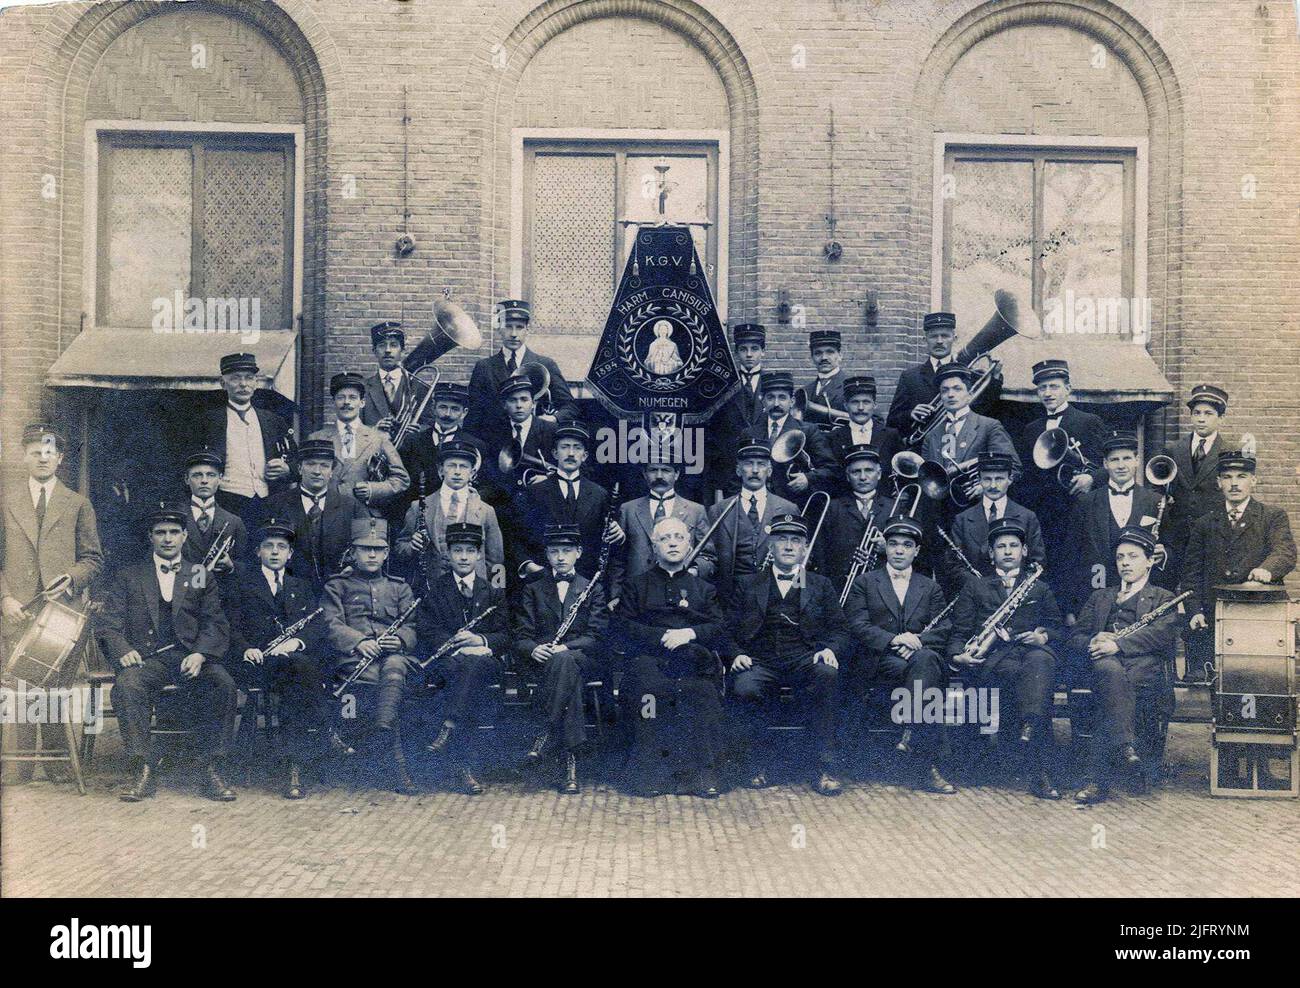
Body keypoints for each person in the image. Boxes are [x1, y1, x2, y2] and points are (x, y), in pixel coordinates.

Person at [98, 504, 236, 802]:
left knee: (223, 683)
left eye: (174, 532)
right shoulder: (129, 576)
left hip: (190, 658)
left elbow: (215, 622)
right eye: (161, 533)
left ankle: (211, 767)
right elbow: (108, 625)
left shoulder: (198, 574)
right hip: (149, 660)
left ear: (185, 536)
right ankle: (143, 768)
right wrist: (123, 650)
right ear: (150, 537)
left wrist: (200, 654)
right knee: (127, 685)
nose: (168, 538)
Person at [0, 423, 103, 781]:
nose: (42, 458)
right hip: (18, 609)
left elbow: (93, 559)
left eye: (49, 452)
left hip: (61, 610)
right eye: (35, 452)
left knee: (56, 682)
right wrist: (5, 597)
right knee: (21, 681)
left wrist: (72, 577)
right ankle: (22, 763)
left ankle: (59, 762)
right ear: (24, 457)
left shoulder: (77, 503)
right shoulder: (6, 502)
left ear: (59, 459)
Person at [728, 513, 849, 796]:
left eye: (796, 540)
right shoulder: (748, 584)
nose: (789, 546)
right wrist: (736, 654)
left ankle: (824, 767)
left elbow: (841, 629)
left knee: (827, 676)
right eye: (782, 539)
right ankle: (757, 764)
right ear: (770, 546)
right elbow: (727, 628)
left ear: (804, 548)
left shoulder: (820, 584)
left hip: (804, 657)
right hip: (761, 659)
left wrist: (829, 649)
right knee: (745, 687)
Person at [226, 519, 342, 800]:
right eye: (269, 547)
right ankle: (324, 731)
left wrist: (297, 642)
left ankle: (294, 764)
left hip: (292, 662)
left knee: (297, 674)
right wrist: (246, 648)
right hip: (257, 664)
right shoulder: (242, 584)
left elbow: (317, 626)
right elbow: (228, 625)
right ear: (258, 552)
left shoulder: (300, 586)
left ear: (290, 554)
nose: (275, 552)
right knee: (302, 671)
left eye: (282, 547)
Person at [948, 518, 1063, 800]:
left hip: (1030, 656)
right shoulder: (976, 587)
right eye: (1001, 546)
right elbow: (959, 630)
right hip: (993, 660)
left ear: (1025, 551)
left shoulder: (1039, 588)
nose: (1008, 551)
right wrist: (958, 655)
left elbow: (1059, 629)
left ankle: (1028, 730)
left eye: (1014, 545)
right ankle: (1036, 757)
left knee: (1041, 661)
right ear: (991, 553)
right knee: (1035, 673)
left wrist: (1043, 637)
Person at [617, 517, 729, 798]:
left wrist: (689, 633)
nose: (673, 543)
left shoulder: (704, 589)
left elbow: (718, 627)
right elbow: (623, 626)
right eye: (665, 539)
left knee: (701, 693)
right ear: (654, 547)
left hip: (692, 658)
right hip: (648, 658)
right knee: (650, 695)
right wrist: (661, 636)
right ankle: (650, 775)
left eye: (679, 537)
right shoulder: (636, 585)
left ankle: (702, 776)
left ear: (689, 545)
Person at [844, 517, 956, 794]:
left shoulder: (930, 586)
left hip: (918, 658)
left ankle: (911, 730)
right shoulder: (865, 582)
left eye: (907, 545)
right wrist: (895, 639)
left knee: (926, 661)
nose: (899, 550)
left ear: (916, 551)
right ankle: (926, 763)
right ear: (884, 547)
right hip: (879, 660)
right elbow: (857, 624)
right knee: (928, 667)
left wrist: (918, 640)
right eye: (893, 544)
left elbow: (945, 627)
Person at [1068, 527, 1179, 804]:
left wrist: (1118, 645)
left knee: (1112, 688)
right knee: (1109, 671)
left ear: (1150, 561)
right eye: (1120, 558)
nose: (1125, 563)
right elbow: (1076, 637)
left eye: (1133, 556)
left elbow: (1161, 635)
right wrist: (1095, 638)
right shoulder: (1100, 597)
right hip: (1104, 665)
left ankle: (1096, 780)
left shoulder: (1163, 598)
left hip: (1142, 668)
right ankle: (1126, 746)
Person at [1180, 449, 1297, 683]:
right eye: (1227, 477)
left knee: (1262, 680)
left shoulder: (1272, 516)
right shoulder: (1205, 523)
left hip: (1260, 613)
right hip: (1216, 615)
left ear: (1253, 480)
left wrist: (1267, 569)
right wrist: (1194, 611)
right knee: (1216, 681)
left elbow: (1285, 552)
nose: (1234, 483)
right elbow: (1191, 573)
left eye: (1241, 476)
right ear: (1218, 482)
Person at [322, 518, 421, 794]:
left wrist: (398, 639)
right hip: (355, 659)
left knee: (395, 664)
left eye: (378, 549)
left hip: (392, 658)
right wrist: (359, 642)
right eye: (365, 549)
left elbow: (411, 625)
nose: (372, 555)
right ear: (353, 552)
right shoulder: (337, 586)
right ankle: (395, 765)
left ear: (387, 553)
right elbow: (331, 623)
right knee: (386, 678)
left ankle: (383, 731)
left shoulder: (399, 587)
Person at [513, 524, 609, 794]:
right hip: (543, 662)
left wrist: (565, 647)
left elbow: (596, 635)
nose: (561, 557)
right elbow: (521, 635)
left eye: (567, 551)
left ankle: (543, 735)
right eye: (554, 551)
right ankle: (570, 766)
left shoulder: (591, 587)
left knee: (566, 662)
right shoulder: (533, 588)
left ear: (578, 553)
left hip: (582, 657)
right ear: (546, 554)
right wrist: (533, 649)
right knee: (569, 678)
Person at [417, 522, 509, 795]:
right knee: (466, 676)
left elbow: (505, 634)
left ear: (480, 555)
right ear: (448, 554)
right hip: (450, 659)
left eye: (470, 551)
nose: (464, 557)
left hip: (486, 662)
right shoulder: (435, 589)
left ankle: (448, 726)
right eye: (458, 551)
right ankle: (464, 768)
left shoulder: (492, 590)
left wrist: (480, 640)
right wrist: (454, 644)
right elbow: (427, 629)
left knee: (472, 667)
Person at [1014, 359, 1106, 593]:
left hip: (1077, 511)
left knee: (1076, 571)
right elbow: (1025, 475)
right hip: (1042, 515)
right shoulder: (1031, 429)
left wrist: (1091, 479)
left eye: (1054, 386)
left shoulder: (1088, 422)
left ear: (1068, 388)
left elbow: (1108, 466)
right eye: (1042, 388)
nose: (1047, 393)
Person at [1062, 432, 1163, 620]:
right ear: (1105, 464)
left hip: (1141, 602)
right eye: (1114, 460)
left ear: (1137, 460)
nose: (1121, 465)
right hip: (1094, 596)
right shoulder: (1085, 502)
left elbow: (1171, 549)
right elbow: (1071, 557)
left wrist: (1162, 553)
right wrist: (1070, 607)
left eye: (1127, 458)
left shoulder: (1155, 501)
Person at [199, 352, 294, 530]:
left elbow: (298, 463)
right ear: (223, 383)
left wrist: (287, 469)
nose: (243, 384)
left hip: (267, 502)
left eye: (249, 378)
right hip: (227, 502)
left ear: (256, 383)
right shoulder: (208, 421)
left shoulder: (273, 421)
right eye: (235, 378)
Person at [519, 424, 623, 581]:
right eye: (565, 447)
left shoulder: (600, 495)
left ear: (585, 455)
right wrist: (528, 565)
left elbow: (608, 546)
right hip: (543, 580)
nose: (571, 453)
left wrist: (618, 535)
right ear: (554, 453)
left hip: (586, 581)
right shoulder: (535, 492)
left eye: (577, 448)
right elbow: (518, 536)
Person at [396, 439, 504, 588]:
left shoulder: (486, 511)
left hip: (473, 594)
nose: (457, 472)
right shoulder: (418, 507)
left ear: (472, 473)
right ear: (441, 470)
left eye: (464, 467)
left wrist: (490, 595)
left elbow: (496, 561)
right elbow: (400, 548)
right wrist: (411, 546)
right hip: (431, 591)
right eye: (452, 465)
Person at [266, 438, 369, 592]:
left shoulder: (351, 507)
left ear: (331, 471)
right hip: (289, 593)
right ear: (299, 468)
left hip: (339, 591)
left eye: (324, 466)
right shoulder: (275, 505)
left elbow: (365, 549)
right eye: (310, 464)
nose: (317, 471)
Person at [703, 441, 798, 603]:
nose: (755, 470)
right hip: (731, 599)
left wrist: (795, 598)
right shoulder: (718, 510)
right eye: (748, 464)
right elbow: (709, 557)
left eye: (761, 465)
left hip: (774, 599)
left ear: (769, 471)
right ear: (739, 470)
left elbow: (801, 560)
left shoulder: (788, 508)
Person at [1156, 384, 1232, 586]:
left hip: (1212, 536)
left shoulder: (1229, 451)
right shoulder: (1172, 449)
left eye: (1208, 413)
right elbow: (1159, 487)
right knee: (1168, 590)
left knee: (1208, 589)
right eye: (1197, 412)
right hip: (1176, 536)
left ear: (1221, 418)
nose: (1201, 418)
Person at [886, 311, 1002, 441]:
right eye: (933, 336)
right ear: (925, 340)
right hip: (923, 451)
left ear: (954, 338)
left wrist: (995, 377)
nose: (939, 341)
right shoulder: (910, 377)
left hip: (963, 447)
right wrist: (910, 414)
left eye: (945, 336)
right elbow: (891, 421)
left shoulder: (969, 373)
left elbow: (986, 410)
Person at [943, 452, 1044, 598]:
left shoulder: (1027, 517)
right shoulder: (962, 520)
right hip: (974, 599)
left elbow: (1037, 561)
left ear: (1010, 479)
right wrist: (979, 587)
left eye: (999, 479)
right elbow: (953, 565)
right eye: (987, 479)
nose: (993, 485)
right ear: (979, 480)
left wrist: (1011, 587)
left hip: (1015, 599)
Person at [467, 299, 575, 435]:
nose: (513, 334)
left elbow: (570, 407)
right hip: (494, 446)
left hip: (536, 442)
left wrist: (552, 419)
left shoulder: (546, 364)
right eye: (508, 327)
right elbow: (474, 415)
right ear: (499, 329)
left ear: (527, 330)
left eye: (519, 327)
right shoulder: (483, 367)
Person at [309, 372, 410, 518]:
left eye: (352, 397)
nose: (346, 402)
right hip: (325, 515)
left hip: (365, 516)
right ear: (333, 403)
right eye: (340, 397)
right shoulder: (317, 438)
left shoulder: (379, 437)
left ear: (362, 403)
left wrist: (373, 489)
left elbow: (401, 479)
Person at [612, 460, 714, 602]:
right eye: (653, 470)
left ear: (677, 474)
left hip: (682, 593)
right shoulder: (628, 510)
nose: (659, 476)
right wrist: (615, 595)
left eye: (666, 470)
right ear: (644, 474)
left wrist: (692, 571)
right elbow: (618, 558)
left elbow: (708, 556)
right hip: (636, 595)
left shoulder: (695, 511)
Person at [808, 444, 898, 592]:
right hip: (841, 588)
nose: (863, 477)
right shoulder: (831, 508)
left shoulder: (894, 507)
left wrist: (888, 548)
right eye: (856, 472)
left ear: (879, 474)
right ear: (847, 476)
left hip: (885, 589)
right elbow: (821, 555)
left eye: (869, 470)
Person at [747, 370, 836, 503]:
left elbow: (831, 469)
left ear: (792, 401)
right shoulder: (749, 433)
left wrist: (808, 478)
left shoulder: (809, 431)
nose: (776, 403)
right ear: (762, 400)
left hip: (795, 504)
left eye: (782, 397)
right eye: (770, 397)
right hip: (758, 505)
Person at [704, 323, 767, 500]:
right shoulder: (723, 386)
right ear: (736, 352)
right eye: (743, 349)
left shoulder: (773, 385)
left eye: (754, 349)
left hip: (762, 469)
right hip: (729, 471)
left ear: (763, 351)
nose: (749, 354)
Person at [178, 448, 246, 583]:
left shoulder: (234, 522)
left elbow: (247, 565)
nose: (204, 480)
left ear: (220, 479)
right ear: (186, 479)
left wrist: (231, 566)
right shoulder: (176, 517)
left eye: (211, 475)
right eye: (197, 475)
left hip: (221, 594)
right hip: (181, 593)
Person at [826, 375, 902, 494]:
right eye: (855, 402)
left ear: (874, 405)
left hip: (885, 505)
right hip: (843, 507)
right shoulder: (833, 437)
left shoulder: (891, 435)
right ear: (846, 406)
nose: (860, 408)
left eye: (866, 402)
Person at [800, 329, 847, 428]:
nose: (824, 358)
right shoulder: (804, 391)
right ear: (812, 358)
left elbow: (876, 421)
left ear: (840, 356)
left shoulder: (850, 387)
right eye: (818, 353)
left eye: (830, 352)